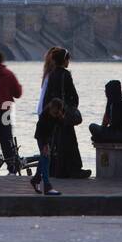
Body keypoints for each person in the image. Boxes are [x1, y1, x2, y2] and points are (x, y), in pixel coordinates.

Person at [43, 46, 89, 178]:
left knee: (56, 143)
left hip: (54, 114)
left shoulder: (51, 74)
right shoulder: (65, 74)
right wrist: (71, 109)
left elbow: (47, 96)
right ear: (64, 61)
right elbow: (73, 96)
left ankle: (57, 170)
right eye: (68, 59)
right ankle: (74, 169)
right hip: (64, 114)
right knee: (70, 143)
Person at [31, 97, 67, 196]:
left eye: (57, 112)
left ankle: (36, 179)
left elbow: (61, 125)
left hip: (49, 138)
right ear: (51, 108)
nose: (55, 114)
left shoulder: (57, 114)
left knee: (44, 158)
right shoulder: (44, 116)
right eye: (54, 112)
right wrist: (45, 145)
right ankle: (47, 186)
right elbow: (43, 132)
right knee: (46, 159)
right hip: (41, 137)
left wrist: (61, 117)